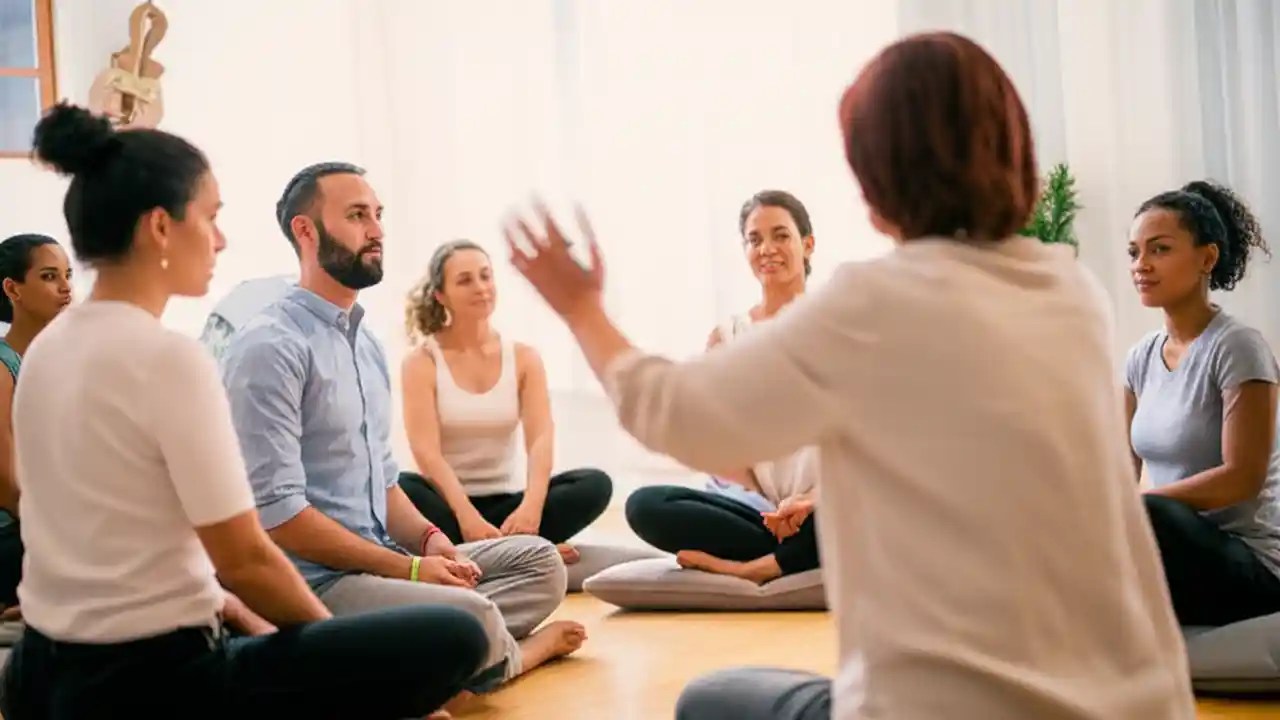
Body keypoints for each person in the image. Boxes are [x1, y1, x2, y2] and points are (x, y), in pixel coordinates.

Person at [504, 31, 1195, 720]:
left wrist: (581, 307)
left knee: (711, 698)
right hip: (1141, 705)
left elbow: (673, 413)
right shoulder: (1072, 293)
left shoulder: (871, 305)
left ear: (874, 179)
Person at [0, 103, 487, 720]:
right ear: (160, 227)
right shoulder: (169, 359)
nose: (221, 239)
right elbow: (247, 559)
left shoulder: (45, 353)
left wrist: (260, 627)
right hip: (154, 682)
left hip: (41, 675)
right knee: (454, 639)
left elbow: (163, 559)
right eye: (211, 217)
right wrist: (346, 667)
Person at [220, 162, 585, 694]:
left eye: (378, 215)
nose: (377, 230)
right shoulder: (270, 347)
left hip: (380, 558)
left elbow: (384, 483)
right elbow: (281, 518)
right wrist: (409, 572)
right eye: (357, 216)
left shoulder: (365, 344)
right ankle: (506, 658)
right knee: (468, 615)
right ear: (305, 231)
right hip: (318, 580)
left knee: (540, 562)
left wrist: (433, 542)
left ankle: (433, 651)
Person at [625, 191, 820, 584]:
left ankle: (758, 567)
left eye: (781, 235)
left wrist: (813, 501)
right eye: (755, 239)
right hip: (768, 512)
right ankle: (800, 554)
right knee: (645, 505)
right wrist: (768, 505)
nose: (767, 249)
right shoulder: (727, 337)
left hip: (831, 502)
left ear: (807, 244)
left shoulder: (838, 323)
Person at [399, 239, 613, 565]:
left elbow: (540, 437)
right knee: (402, 488)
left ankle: (494, 550)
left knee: (595, 485)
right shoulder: (421, 361)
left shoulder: (524, 358)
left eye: (486, 276)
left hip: (507, 506)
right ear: (440, 295)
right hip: (447, 507)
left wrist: (531, 507)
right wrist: (467, 517)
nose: (481, 287)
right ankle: (524, 551)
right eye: (465, 280)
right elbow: (425, 452)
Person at [1124, 179, 1280, 628]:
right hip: (1178, 551)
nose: (1141, 265)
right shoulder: (1139, 358)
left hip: (1249, 564)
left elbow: (1241, 479)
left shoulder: (1238, 347)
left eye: (1160, 249)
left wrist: (1139, 504)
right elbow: (1119, 474)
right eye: (1134, 252)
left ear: (1206, 258)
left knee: (1147, 514)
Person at [0, 233, 72, 613]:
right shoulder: (2, 366)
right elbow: (4, 481)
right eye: (48, 277)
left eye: (67, 275)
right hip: (14, 533)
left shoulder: (60, 362)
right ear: (13, 288)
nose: (65, 288)